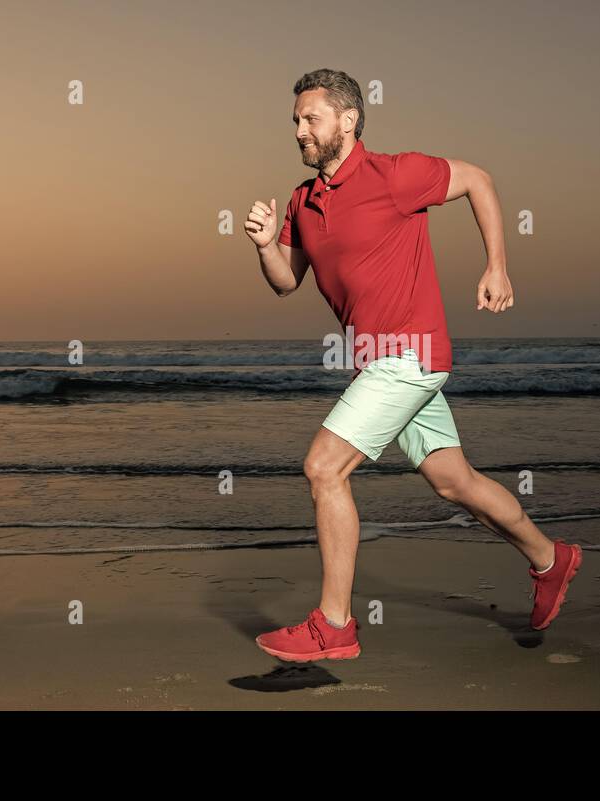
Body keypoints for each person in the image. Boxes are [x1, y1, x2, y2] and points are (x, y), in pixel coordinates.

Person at [244, 68, 581, 662]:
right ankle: (551, 560)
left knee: (324, 468)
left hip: (411, 354)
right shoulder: (302, 199)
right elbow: (284, 283)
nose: (299, 129)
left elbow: (478, 179)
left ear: (348, 120)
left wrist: (497, 265)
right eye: (296, 120)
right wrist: (268, 243)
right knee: (455, 481)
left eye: (310, 118)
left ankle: (335, 624)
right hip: (375, 363)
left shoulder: (395, 174)